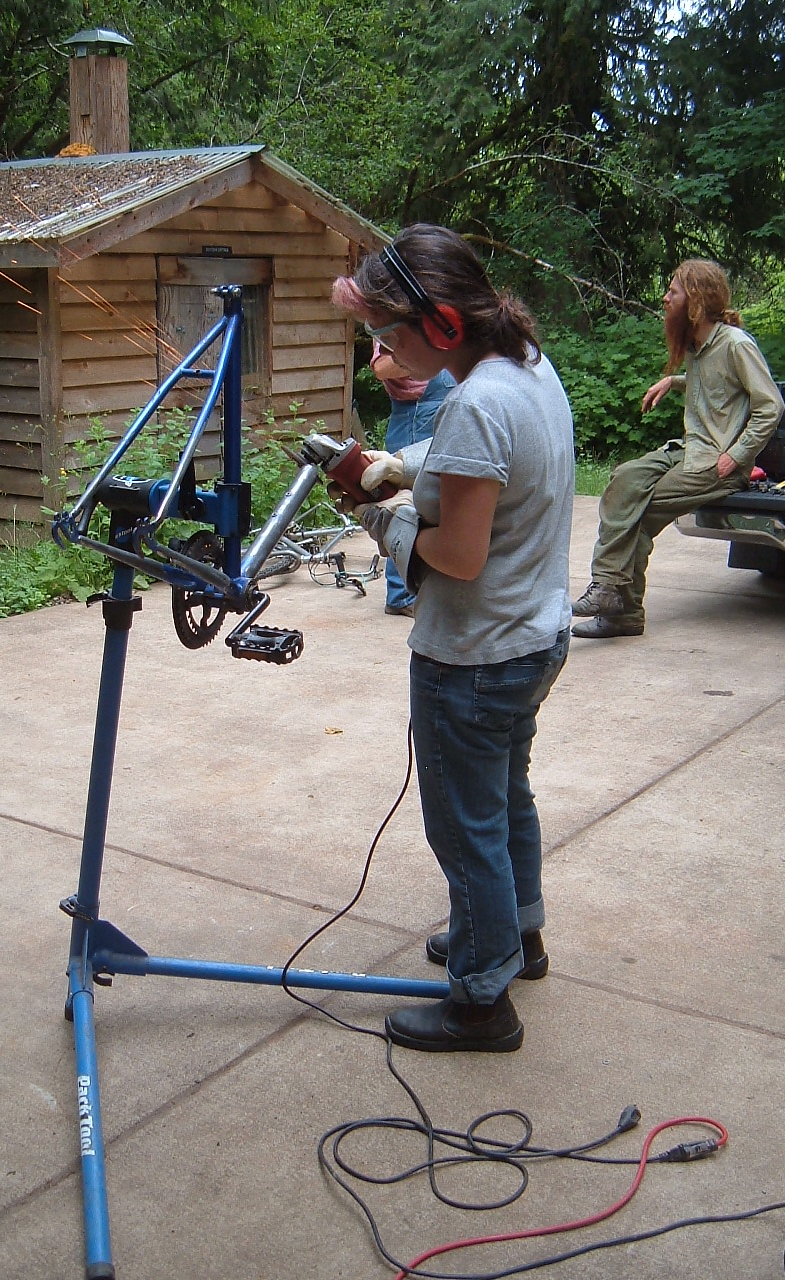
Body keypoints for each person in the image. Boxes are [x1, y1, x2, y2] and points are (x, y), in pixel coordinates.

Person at [331, 224, 574, 1053]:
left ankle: (481, 1001)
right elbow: (478, 458)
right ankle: (518, 942)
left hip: (473, 658)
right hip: (534, 641)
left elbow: (456, 559)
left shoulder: (475, 402)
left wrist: (375, 517)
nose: (383, 351)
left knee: (465, 832)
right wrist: (402, 470)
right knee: (507, 805)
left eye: (387, 332)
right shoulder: (525, 365)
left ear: (438, 323)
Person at [572, 259, 785, 639]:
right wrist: (675, 379)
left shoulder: (736, 344)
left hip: (719, 462)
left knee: (639, 510)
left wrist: (736, 456)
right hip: (690, 448)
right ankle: (612, 596)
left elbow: (771, 405)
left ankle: (619, 605)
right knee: (625, 480)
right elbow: (720, 386)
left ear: (697, 299)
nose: (666, 298)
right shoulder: (697, 345)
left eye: (673, 291)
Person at [368, 340, 455, 616]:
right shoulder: (396, 310)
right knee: (408, 502)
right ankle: (401, 594)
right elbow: (381, 367)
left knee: (434, 499)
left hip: (434, 405)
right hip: (416, 411)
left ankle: (416, 587)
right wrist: (422, 358)